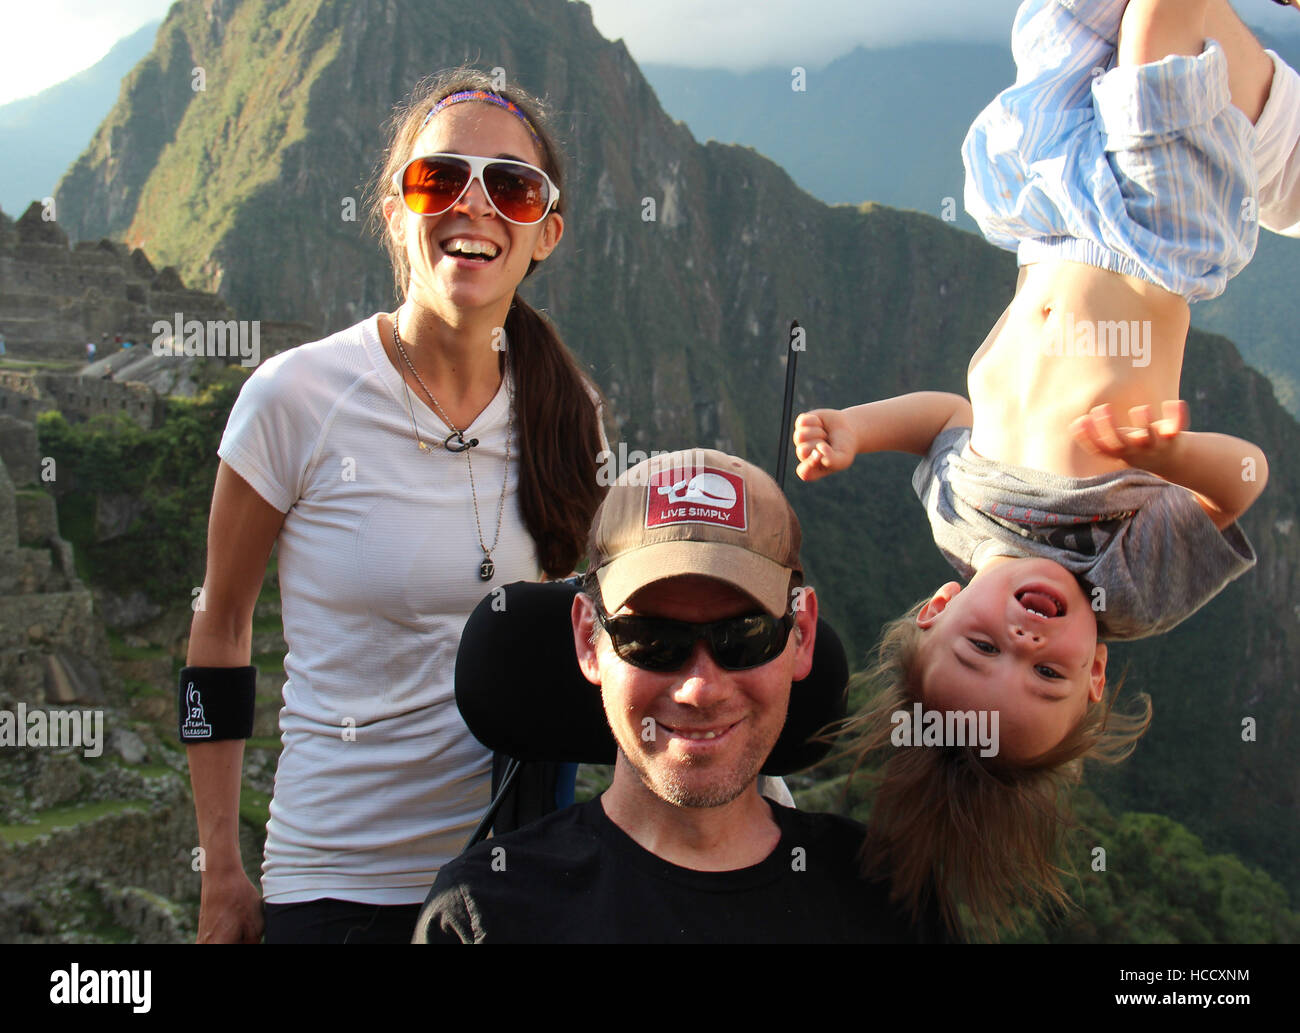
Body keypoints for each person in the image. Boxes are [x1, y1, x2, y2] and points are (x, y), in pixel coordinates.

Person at [793, 0, 1271, 938]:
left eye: (982, 649)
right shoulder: (1126, 586)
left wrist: (857, 427)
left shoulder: (957, 519)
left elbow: (947, 418)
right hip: (1153, 230)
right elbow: (1246, 479)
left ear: (937, 610)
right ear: (1094, 676)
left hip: (1043, 219)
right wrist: (1170, 453)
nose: (1025, 637)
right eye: (1048, 674)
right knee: (1153, 32)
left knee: (1058, 19)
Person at [181, 69, 607, 944]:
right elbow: (219, 628)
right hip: (336, 885)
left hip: (510, 887)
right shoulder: (294, 399)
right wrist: (221, 866)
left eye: (512, 188)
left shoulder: (567, 416)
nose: (475, 206)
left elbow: (601, 635)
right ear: (393, 210)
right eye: (440, 178)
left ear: (545, 232)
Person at [415, 448, 947, 943]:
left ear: (801, 635)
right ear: (587, 640)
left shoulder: (889, 898)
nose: (700, 688)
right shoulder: (486, 915)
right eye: (651, 640)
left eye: (745, 638)